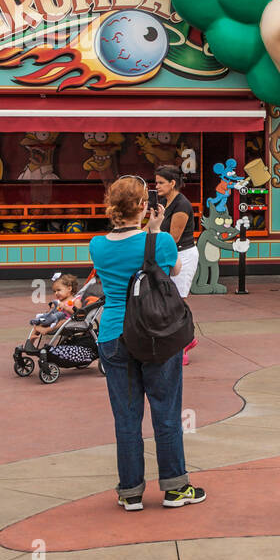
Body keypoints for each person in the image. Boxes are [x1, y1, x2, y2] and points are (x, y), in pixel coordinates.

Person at [89, 176, 205, 511]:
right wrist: (154, 230)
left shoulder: (97, 245)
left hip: (113, 334)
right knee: (166, 411)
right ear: (145, 206)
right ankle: (174, 487)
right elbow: (174, 268)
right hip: (155, 334)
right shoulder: (163, 240)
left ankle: (130, 491)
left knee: (126, 417)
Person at [155, 166, 199, 364]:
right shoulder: (163, 202)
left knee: (177, 302)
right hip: (167, 255)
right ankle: (180, 340)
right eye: (156, 182)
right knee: (167, 300)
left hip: (183, 255)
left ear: (173, 183)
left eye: (160, 183)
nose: (157, 186)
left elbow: (173, 237)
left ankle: (184, 343)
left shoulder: (182, 205)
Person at [24, 272, 80, 350]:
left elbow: (78, 313)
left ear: (69, 289)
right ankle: (30, 342)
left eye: (58, 290)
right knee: (40, 320)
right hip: (54, 320)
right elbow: (51, 312)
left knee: (62, 321)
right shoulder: (57, 301)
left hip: (68, 321)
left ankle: (46, 330)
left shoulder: (75, 301)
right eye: (54, 291)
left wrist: (66, 308)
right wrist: (51, 310)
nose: (56, 293)